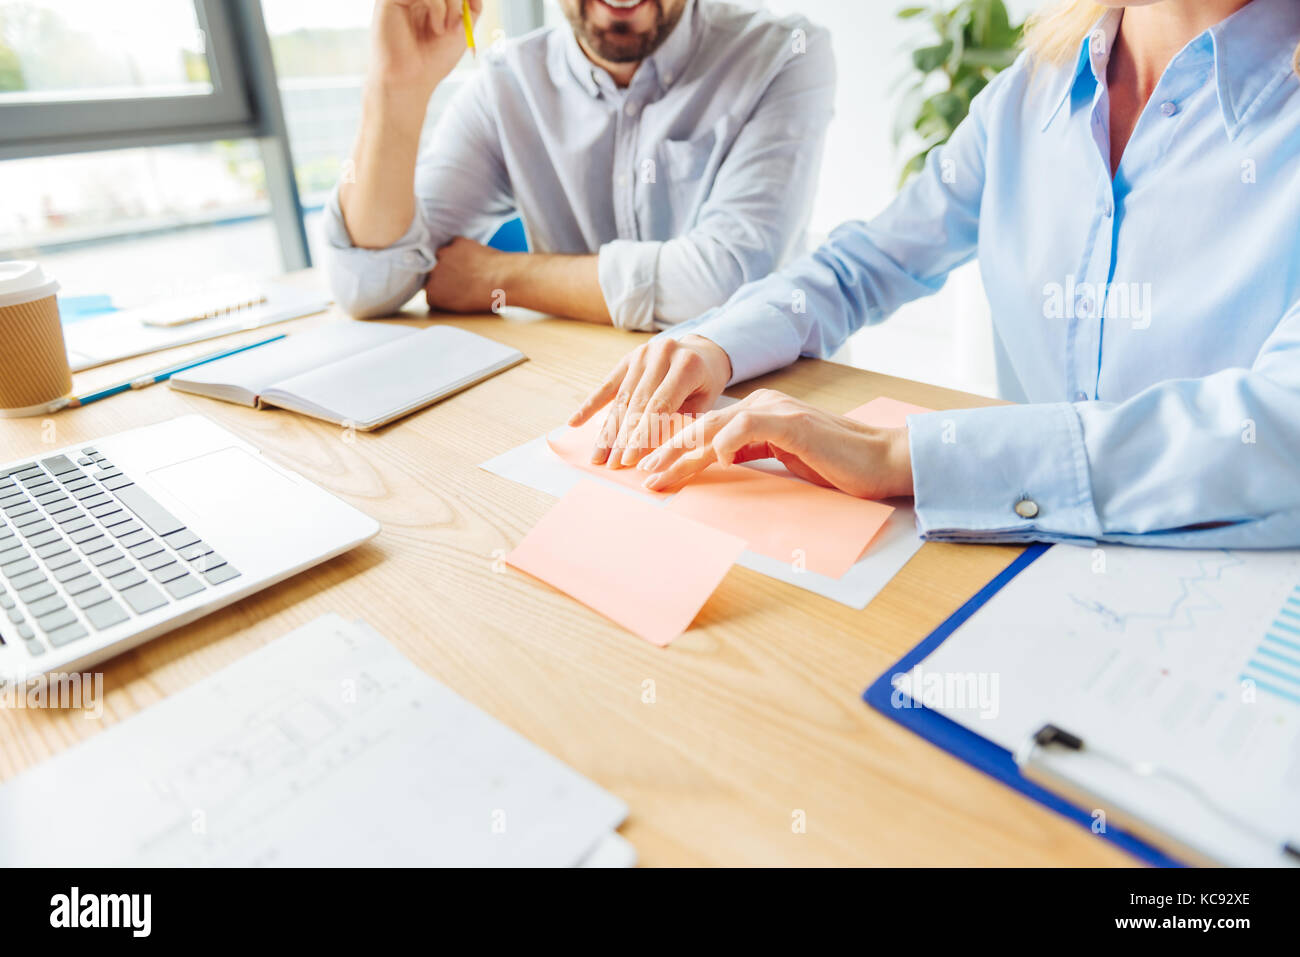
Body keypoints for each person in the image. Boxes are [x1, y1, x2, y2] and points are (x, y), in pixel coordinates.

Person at [573, 0, 1300, 550]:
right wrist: (718, 345)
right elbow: (874, 259)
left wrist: (902, 457)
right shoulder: (1032, 91)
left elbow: (1277, 424)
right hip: (1034, 561)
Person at [324, 0, 835, 331]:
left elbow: (727, 285)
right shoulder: (508, 83)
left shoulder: (784, 53)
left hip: (769, 399)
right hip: (584, 400)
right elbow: (368, 285)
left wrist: (500, 276)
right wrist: (395, 90)